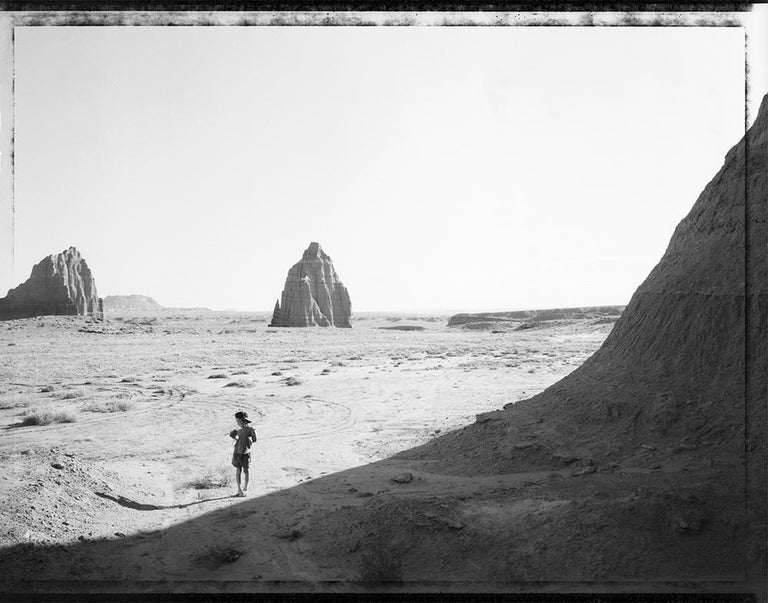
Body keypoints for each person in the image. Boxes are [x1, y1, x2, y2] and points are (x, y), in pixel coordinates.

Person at [229, 410, 257, 497]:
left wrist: (251, 437)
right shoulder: (238, 431)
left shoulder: (250, 430)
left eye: (238, 421)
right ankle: (239, 489)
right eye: (237, 422)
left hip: (245, 453)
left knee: (245, 470)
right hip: (237, 452)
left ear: (243, 420)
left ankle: (245, 488)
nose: (237, 423)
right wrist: (233, 435)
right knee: (238, 470)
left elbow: (254, 439)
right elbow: (236, 439)